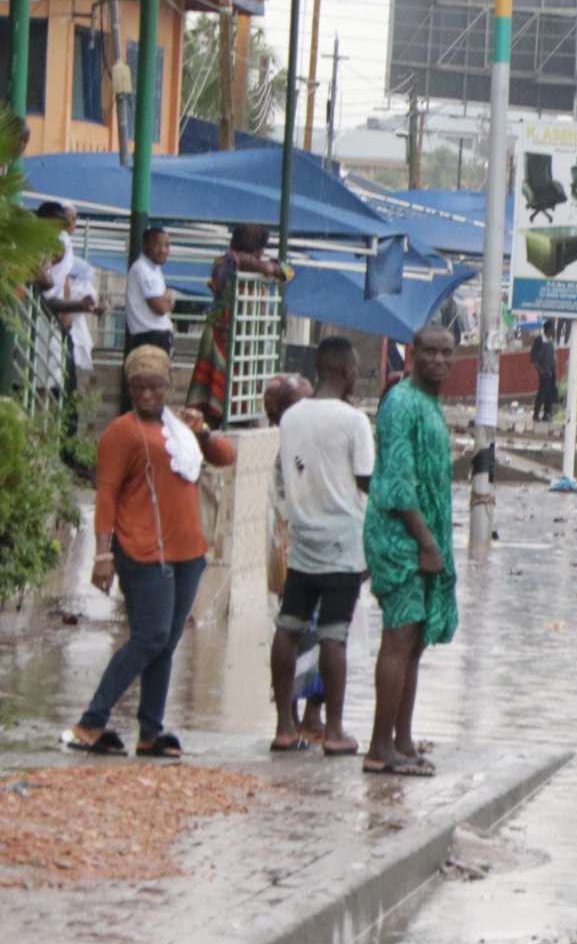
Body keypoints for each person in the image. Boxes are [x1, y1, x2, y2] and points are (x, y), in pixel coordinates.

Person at [65, 345, 236, 759]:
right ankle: (90, 723)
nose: (146, 394)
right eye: (138, 387)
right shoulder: (121, 433)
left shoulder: (181, 429)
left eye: (154, 386)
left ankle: (150, 733)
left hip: (188, 553)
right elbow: (105, 495)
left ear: (168, 386)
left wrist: (203, 433)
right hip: (143, 552)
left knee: (166, 643)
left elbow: (224, 457)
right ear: (130, 388)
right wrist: (103, 557)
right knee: (150, 636)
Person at [269, 337, 373, 757]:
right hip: (342, 541)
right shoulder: (354, 422)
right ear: (347, 371)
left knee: (289, 625)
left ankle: (283, 727)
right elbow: (366, 481)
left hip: (302, 538)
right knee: (334, 635)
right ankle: (334, 731)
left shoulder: (291, 417)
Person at [362, 326, 458, 778]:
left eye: (447, 353)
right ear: (413, 354)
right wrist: (425, 543)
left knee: (415, 643)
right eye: (430, 352)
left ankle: (402, 738)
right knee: (398, 640)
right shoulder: (401, 404)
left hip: (425, 540)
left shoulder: (430, 405)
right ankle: (380, 746)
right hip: (401, 539)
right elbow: (398, 487)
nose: (439, 360)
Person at [186, 224, 289, 427]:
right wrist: (267, 267)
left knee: (240, 394)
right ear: (258, 249)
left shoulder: (241, 262)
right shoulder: (226, 262)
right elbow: (254, 265)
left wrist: (271, 267)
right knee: (215, 396)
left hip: (245, 343)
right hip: (221, 337)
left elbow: (287, 271)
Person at [125, 225, 176, 356]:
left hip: (156, 337)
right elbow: (160, 308)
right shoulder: (144, 270)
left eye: (166, 245)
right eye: (158, 245)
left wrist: (165, 299)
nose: (163, 250)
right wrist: (166, 299)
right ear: (146, 245)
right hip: (151, 339)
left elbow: (166, 303)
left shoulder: (153, 268)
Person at [529, 323, 559, 422]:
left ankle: (547, 413)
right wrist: (540, 370)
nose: (554, 332)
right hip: (544, 371)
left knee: (550, 393)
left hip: (552, 371)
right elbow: (533, 357)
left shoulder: (551, 340)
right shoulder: (540, 340)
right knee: (542, 393)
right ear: (548, 330)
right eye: (552, 330)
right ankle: (536, 413)